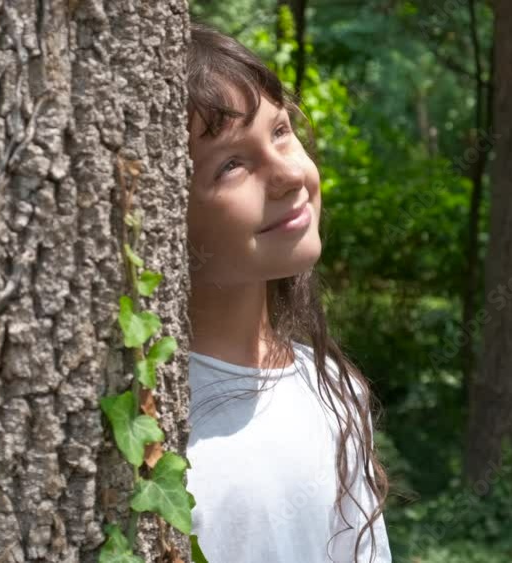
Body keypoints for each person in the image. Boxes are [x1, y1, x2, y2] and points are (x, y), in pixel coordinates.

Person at [184, 22, 392, 563]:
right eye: (232, 164)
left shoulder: (333, 388)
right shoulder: (156, 423)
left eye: (280, 131)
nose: (287, 176)